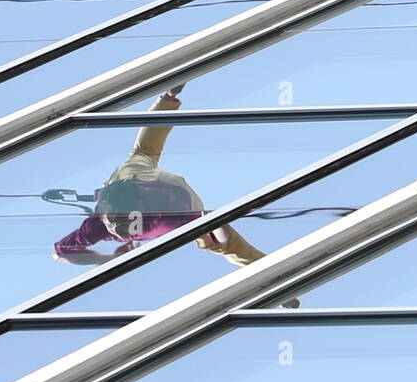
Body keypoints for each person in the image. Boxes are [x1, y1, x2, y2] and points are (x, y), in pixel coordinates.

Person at [52, 86, 300, 306]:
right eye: (115, 226)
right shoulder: (100, 221)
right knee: (139, 158)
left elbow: (227, 245)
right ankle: (277, 282)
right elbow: (61, 251)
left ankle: (276, 281)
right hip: (135, 185)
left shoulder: (170, 209)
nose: (121, 233)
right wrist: (105, 260)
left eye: (126, 224)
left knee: (226, 245)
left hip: (179, 202)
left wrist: (216, 224)